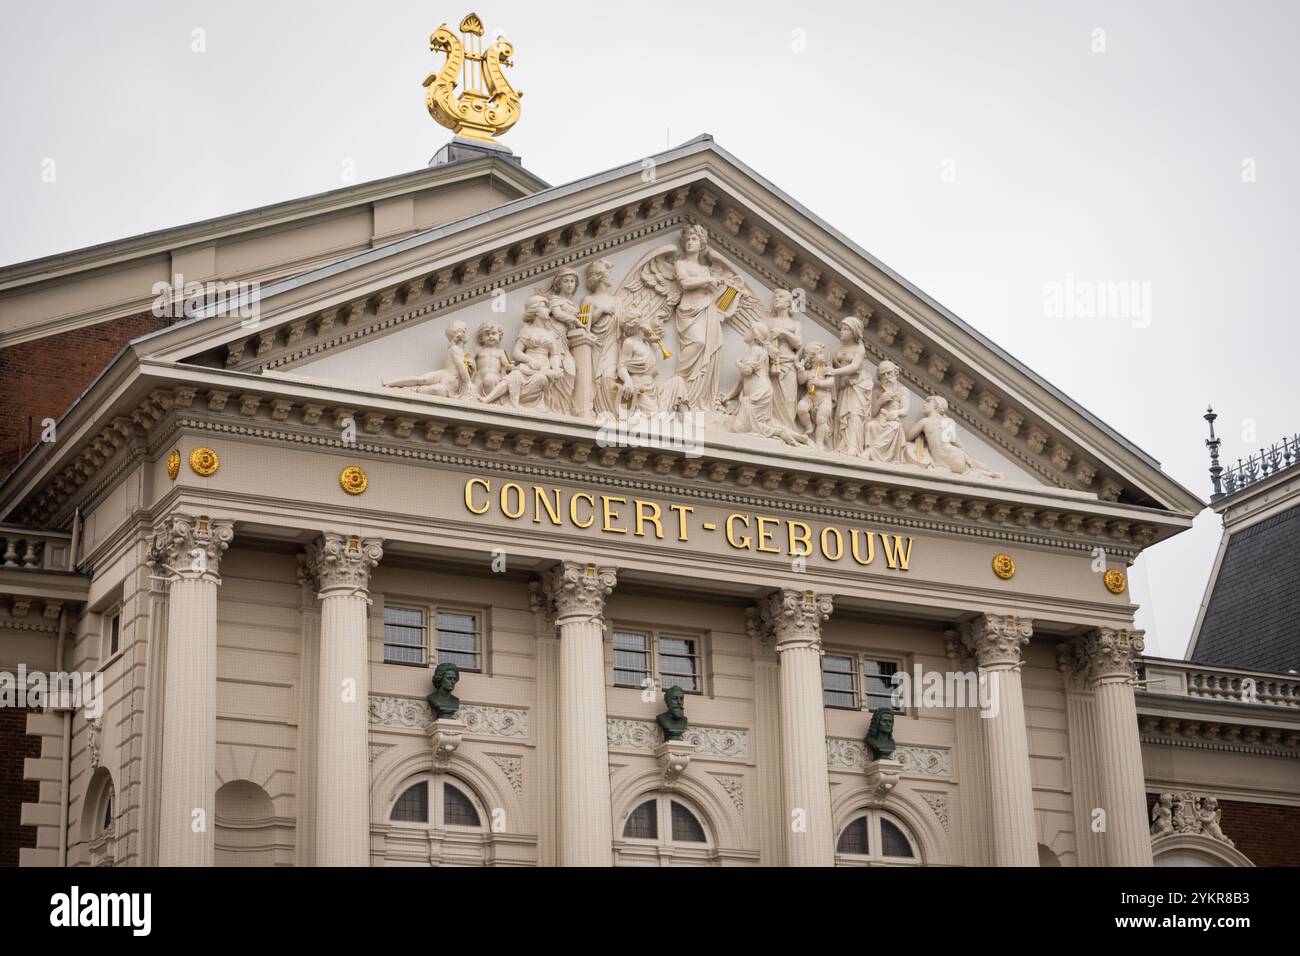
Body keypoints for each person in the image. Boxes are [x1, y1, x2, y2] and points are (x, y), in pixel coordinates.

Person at [904, 395, 1003, 479]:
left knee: (973, 469)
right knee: (973, 465)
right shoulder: (948, 422)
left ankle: (990, 474)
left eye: (928, 403)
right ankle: (992, 474)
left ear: (937, 407)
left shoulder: (925, 422)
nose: (925, 405)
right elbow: (958, 443)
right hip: (955, 455)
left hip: (944, 458)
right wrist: (968, 456)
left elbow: (907, 437)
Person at [382, 321, 473, 398]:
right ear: (460, 334)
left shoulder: (467, 354)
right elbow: (461, 367)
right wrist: (469, 382)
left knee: (430, 389)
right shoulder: (454, 349)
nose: (467, 333)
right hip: (445, 375)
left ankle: (408, 389)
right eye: (465, 330)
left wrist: (469, 383)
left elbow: (470, 370)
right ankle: (391, 383)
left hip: (452, 384)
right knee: (422, 379)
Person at [827, 316, 871, 455]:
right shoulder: (836, 348)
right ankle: (841, 446)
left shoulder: (859, 348)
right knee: (842, 414)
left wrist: (834, 371)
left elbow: (854, 366)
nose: (842, 331)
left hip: (858, 385)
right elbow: (828, 363)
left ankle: (853, 447)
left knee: (854, 414)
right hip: (844, 386)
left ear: (854, 332)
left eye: (846, 329)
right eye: (842, 328)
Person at [863, 359, 910, 463]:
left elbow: (906, 410)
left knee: (895, 426)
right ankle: (871, 452)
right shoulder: (877, 391)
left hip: (892, 422)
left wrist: (896, 413)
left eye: (889, 373)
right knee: (870, 425)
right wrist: (880, 401)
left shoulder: (903, 390)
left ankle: (871, 452)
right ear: (879, 378)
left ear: (896, 373)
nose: (887, 377)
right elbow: (872, 413)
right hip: (879, 421)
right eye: (883, 375)